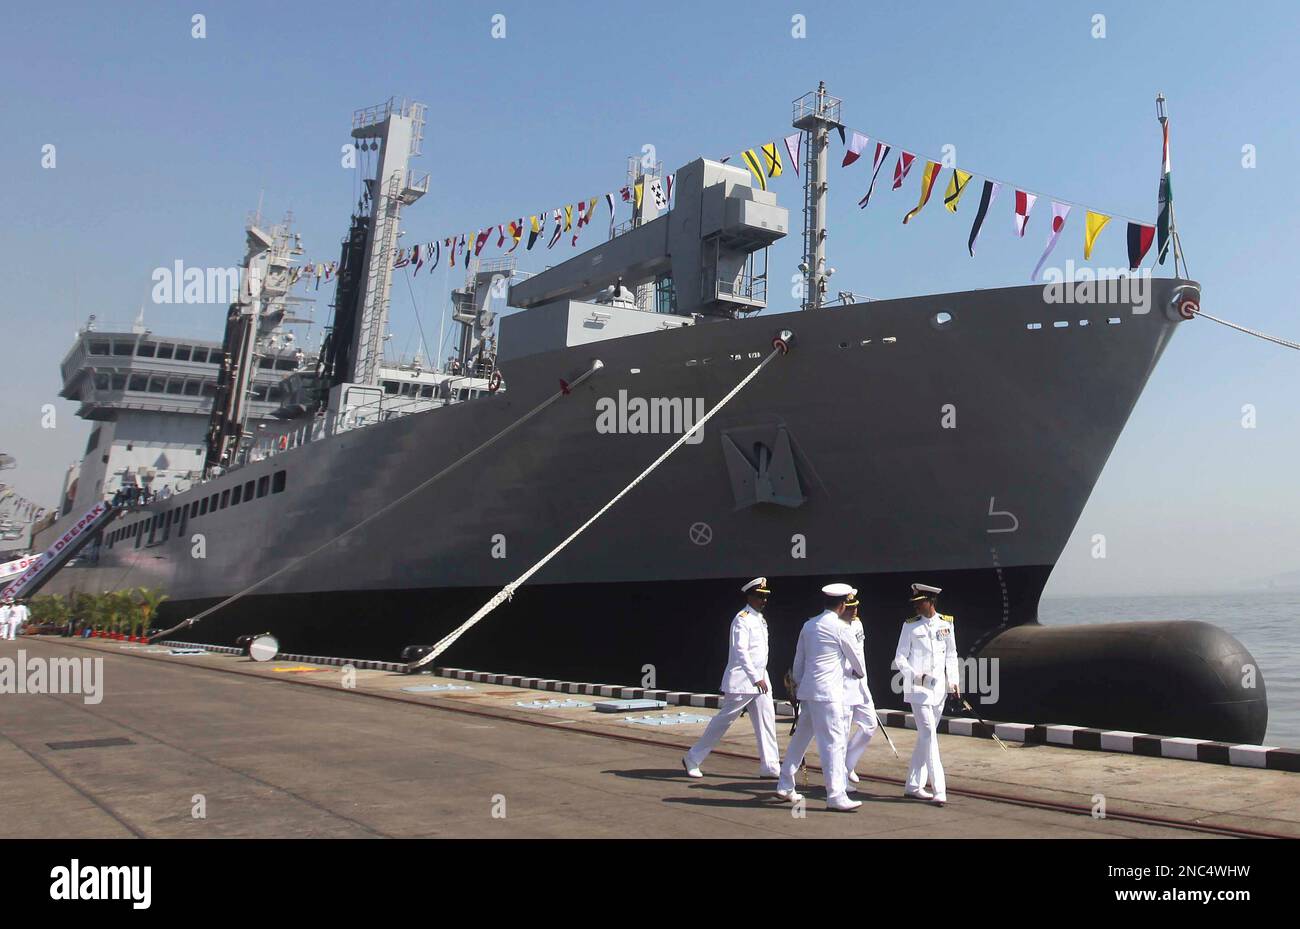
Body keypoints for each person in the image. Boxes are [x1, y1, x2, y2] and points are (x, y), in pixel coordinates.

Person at [775, 583, 865, 812]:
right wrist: (856, 671)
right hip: (829, 694)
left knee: (801, 739)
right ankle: (835, 795)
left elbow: (798, 662)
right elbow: (858, 664)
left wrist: (797, 686)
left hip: (809, 692)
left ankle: (785, 783)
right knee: (833, 743)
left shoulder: (809, 625)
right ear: (843, 605)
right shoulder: (841, 627)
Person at [683, 577, 779, 779]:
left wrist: (761, 677)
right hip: (743, 681)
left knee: (766, 721)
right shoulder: (741, 619)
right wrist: (754, 677)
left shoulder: (760, 619)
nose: (764, 601)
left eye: (765, 597)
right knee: (723, 722)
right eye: (760, 597)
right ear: (750, 597)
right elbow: (740, 651)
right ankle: (693, 757)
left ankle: (769, 766)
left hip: (761, 679)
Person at [893, 583, 959, 806]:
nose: (916, 606)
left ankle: (913, 785)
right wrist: (916, 676)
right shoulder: (910, 626)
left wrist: (954, 682)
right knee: (930, 735)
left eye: (919, 602)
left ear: (931, 601)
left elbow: (951, 655)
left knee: (924, 737)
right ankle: (939, 789)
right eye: (915, 602)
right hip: (918, 690)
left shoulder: (946, 624)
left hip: (939, 690)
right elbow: (900, 658)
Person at [841, 595, 879, 788]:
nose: (854, 610)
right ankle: (840, 779)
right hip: (843, 686)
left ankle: (848, 765)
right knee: (843, 732)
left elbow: (860, 655)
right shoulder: (837, 627)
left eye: (856, 606)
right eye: (849, 607)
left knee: (870, 725)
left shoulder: (858, 624)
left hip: (860, 684)